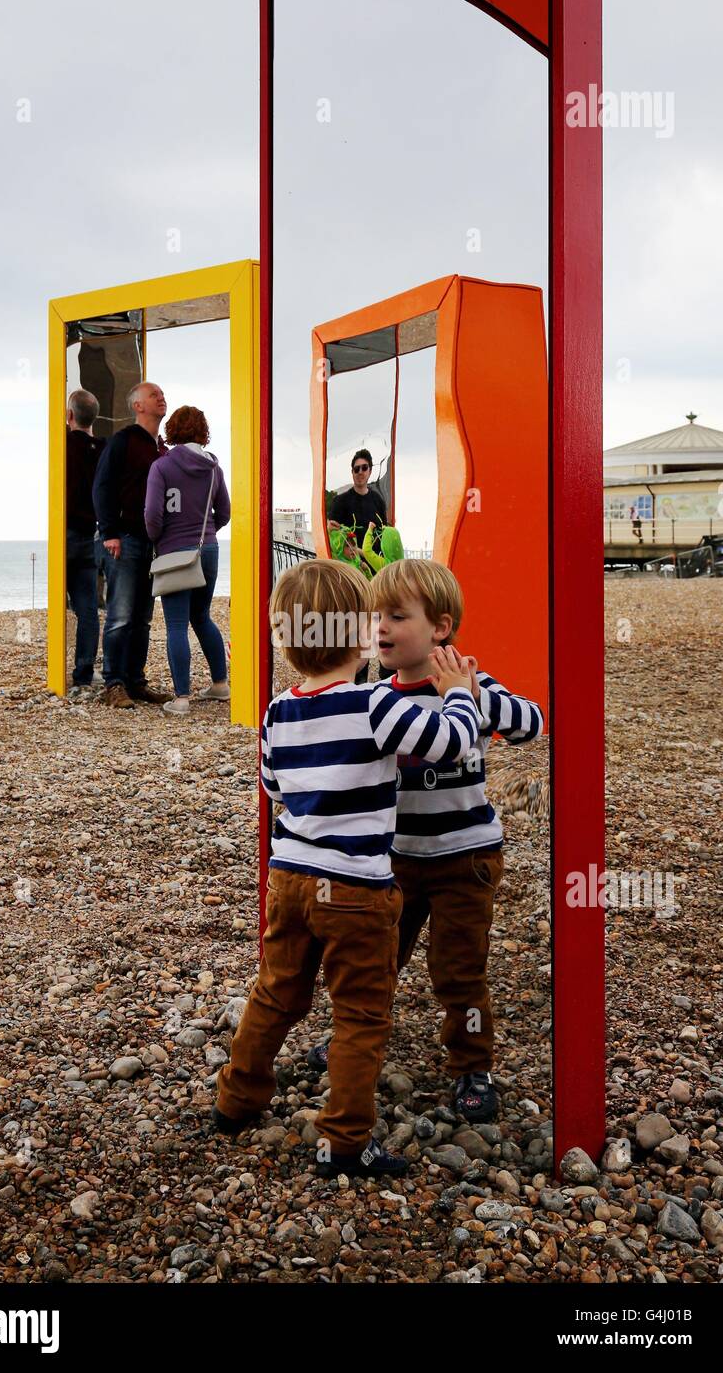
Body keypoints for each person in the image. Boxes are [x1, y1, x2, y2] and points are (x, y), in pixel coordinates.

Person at [212, 559, 482, 1178]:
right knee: (360, 1014)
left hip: (290, 879)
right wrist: (460, 697)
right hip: (357, 887)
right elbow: (450, 743)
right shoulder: (377, 703)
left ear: (285, 640)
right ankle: (345, 1140)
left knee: (278, 990)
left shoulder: (279, 712)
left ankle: (236, 1099)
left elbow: (274, 787)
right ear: (362, 634)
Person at [307, 559, 543, 1124]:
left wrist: (472, 696)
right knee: (376, 959)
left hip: (466, 858)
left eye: (395, 616)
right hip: (397, 859)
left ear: (440, 627)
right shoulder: (374, 695)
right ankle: (356, 1041)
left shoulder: (469, 685)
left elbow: (533, 723)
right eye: (372, 618)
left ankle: (472, 1065)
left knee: (459, 969)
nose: (379, 628)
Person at [144, 406, 231, 716]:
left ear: (173, 431)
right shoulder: (213, 469)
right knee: (203, 616)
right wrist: (206, 533)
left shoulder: (162, 466)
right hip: (207, 549)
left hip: (175, 552)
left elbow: (153, 515)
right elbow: (225, 513)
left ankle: (181, 698)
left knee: (177, 624)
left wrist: (159, 539)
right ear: (202, 431)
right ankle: (220, 684)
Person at [92, 382, 172, 709]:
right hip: (122, 540)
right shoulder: (123, 441)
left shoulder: (163, 449)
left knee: (143, 618)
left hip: (153, 544)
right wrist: (109, 531)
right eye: (154, 395)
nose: (161, 398)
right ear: (138, 405)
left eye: (162, 394)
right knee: (120, 615)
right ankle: (113, 683)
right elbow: (102, 486)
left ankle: (136, 681)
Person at [65, 389, 105, 691]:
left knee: (65, 603)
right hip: (90, 535)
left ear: (69, 416)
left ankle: (57, 669)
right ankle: (84, 670)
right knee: (88, 609)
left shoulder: (63, 446)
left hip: (64, 534)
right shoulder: (103, 450)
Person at [327, 446, 388, 547]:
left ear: (370, 471)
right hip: (348, 561)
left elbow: (384, 534)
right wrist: (329, 528)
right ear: (352, 472)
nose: (360, 472)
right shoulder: (340, 501)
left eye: (364, 468)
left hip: (375, 561)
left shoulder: (378, 500)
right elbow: (332, 536)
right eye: (356, 469)